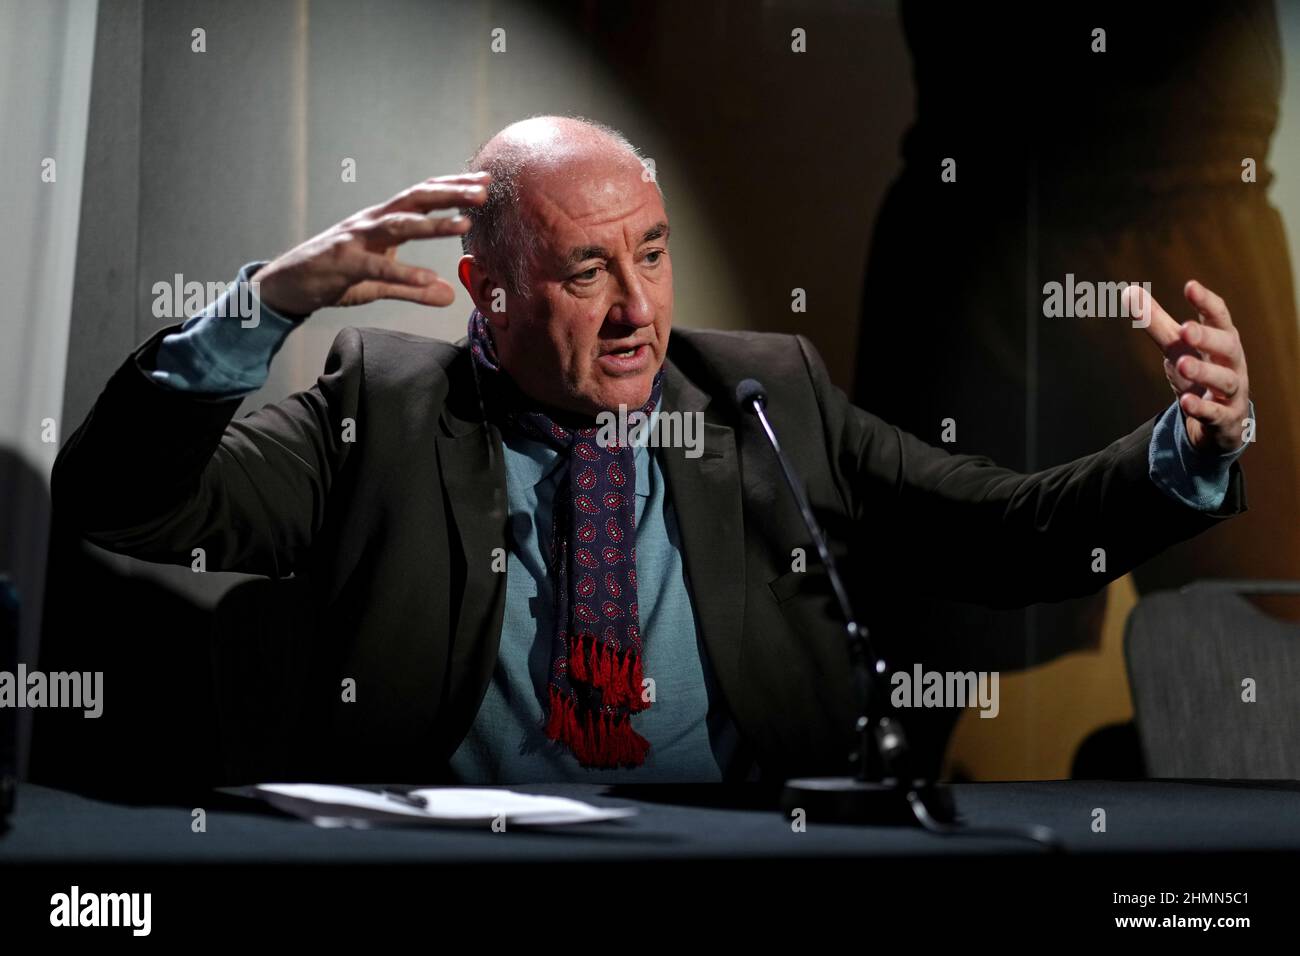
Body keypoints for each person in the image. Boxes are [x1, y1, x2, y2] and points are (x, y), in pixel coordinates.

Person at [51, 116, 1252, 785]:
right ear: (491, 293)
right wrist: (261, 305)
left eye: (655, 252)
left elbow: (1000, 532)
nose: (637, 308)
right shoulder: (383, 406)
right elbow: (131, 506)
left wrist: (1183, 449)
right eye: (586, 271)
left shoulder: (758, 393)